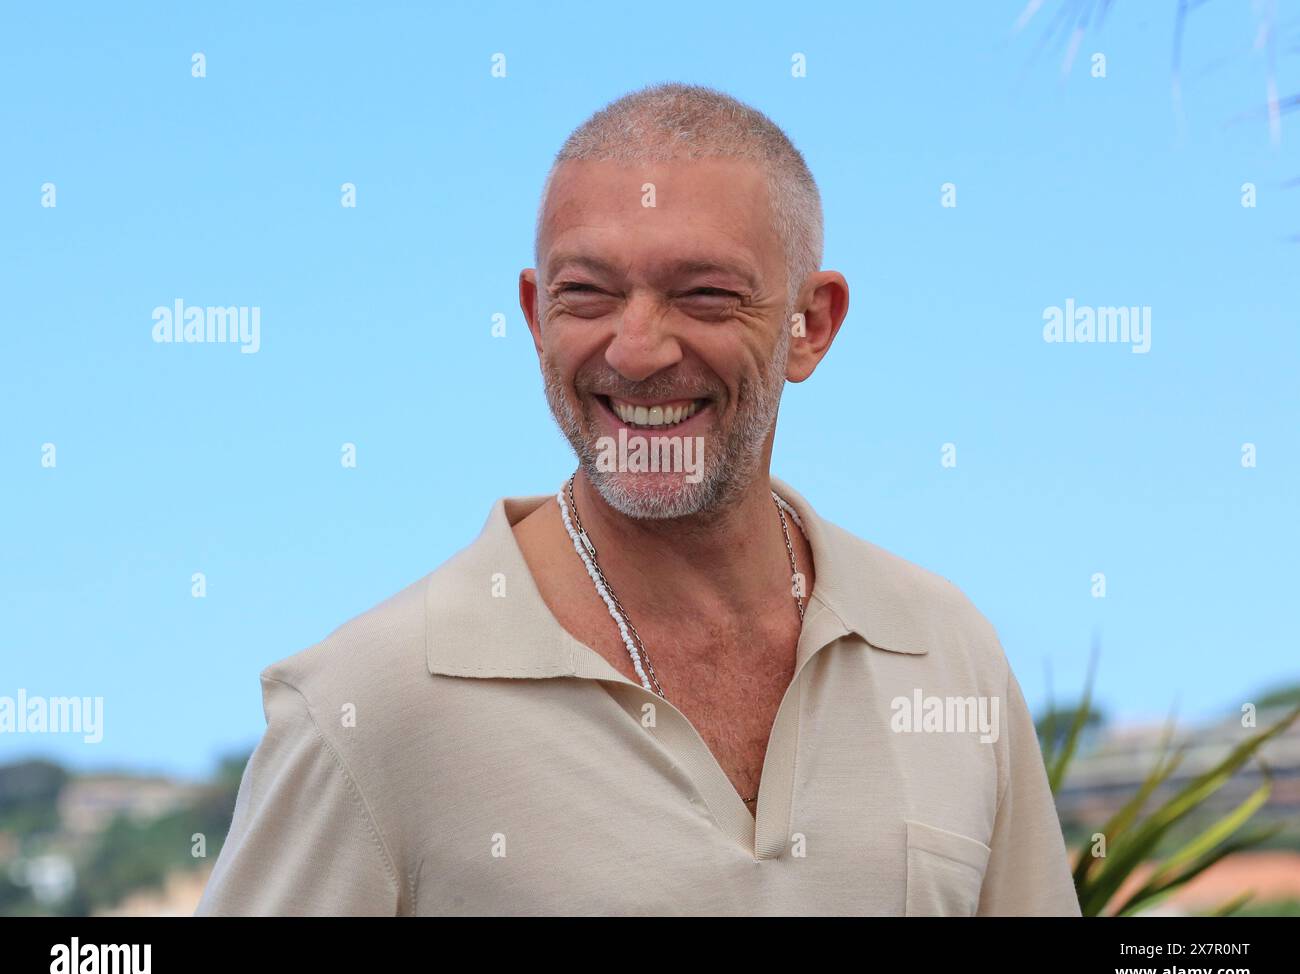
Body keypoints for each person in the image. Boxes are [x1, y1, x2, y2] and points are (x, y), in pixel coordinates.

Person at [195, 82, 1080, 916]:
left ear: (811, 324)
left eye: (704, 294)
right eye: (588, 293)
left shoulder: (942, 650)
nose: (639, 349)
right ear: (536, 315)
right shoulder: (368, 705)